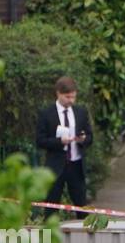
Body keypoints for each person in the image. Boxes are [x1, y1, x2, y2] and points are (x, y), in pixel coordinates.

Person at [34, 76, 93, 218]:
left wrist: (83, 139)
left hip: (76, 165)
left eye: (73, 97)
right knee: (51, 207)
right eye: (67, 97)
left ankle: (84, 236)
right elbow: (40, 141)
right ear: (58, 93)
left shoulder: (80, 112)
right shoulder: (46, 114)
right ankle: (50, 236)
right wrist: (59, 142)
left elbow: (90, 137)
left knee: (81, 206)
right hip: (56, 166)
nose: (71, 101)